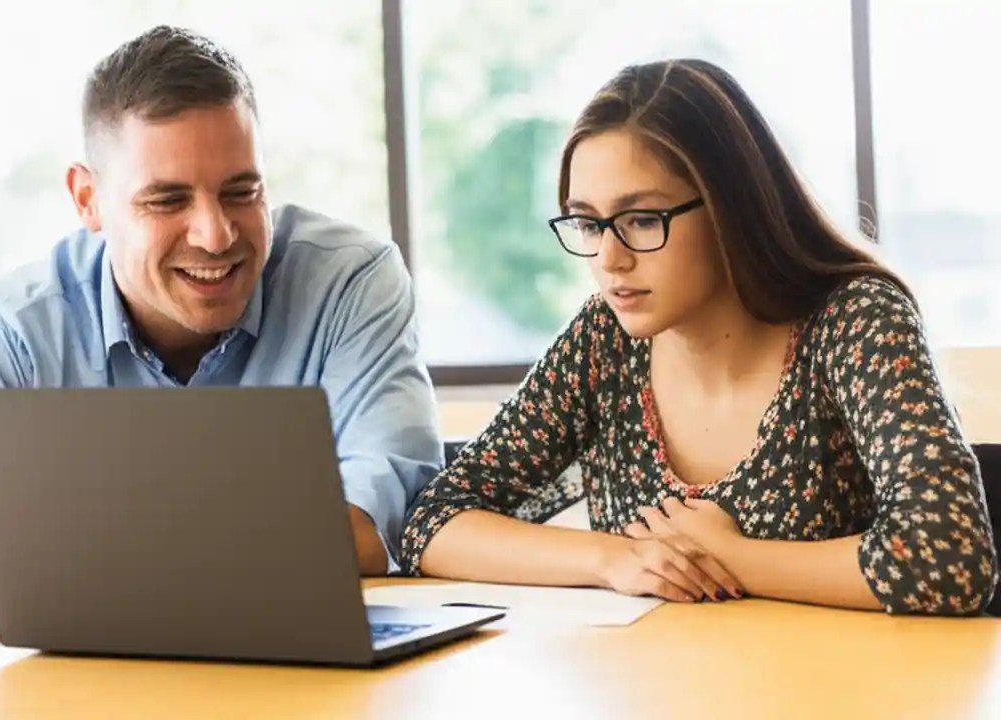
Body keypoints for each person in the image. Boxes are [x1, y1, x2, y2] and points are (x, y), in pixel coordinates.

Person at [0, 26, 441, 605]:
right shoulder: (17, 325)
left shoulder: (349, 282)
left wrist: (89, 555)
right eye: (167, 199)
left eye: (241, 192)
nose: (217, 234)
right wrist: (163, 558)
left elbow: (384, 525)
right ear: (88, 199)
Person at [400, 58, 997, 616]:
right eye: (588, 223)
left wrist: (733, 557)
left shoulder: (856, 322)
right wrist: (612, 558)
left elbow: (950, 559)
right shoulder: (604, 339)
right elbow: (434, 522)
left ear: (729, 208)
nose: (610, 258)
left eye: (640, 220)